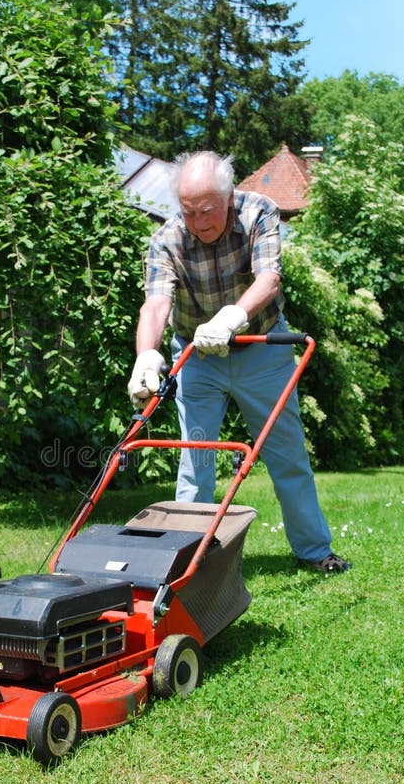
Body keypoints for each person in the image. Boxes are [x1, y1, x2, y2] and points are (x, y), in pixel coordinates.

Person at [127, 150, 351, 573]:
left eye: (208, 210)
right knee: (197, 459)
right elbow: (156, 303)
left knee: (287, 456)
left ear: (228, 197)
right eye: (189, 212)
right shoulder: (167, 238)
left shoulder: (258, 212)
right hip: (197, 358)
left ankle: (315, 552)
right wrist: (146, 356)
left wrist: (233, 316)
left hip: (262, 350)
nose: (199, 222)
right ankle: (184, 562)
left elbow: (269, 277)